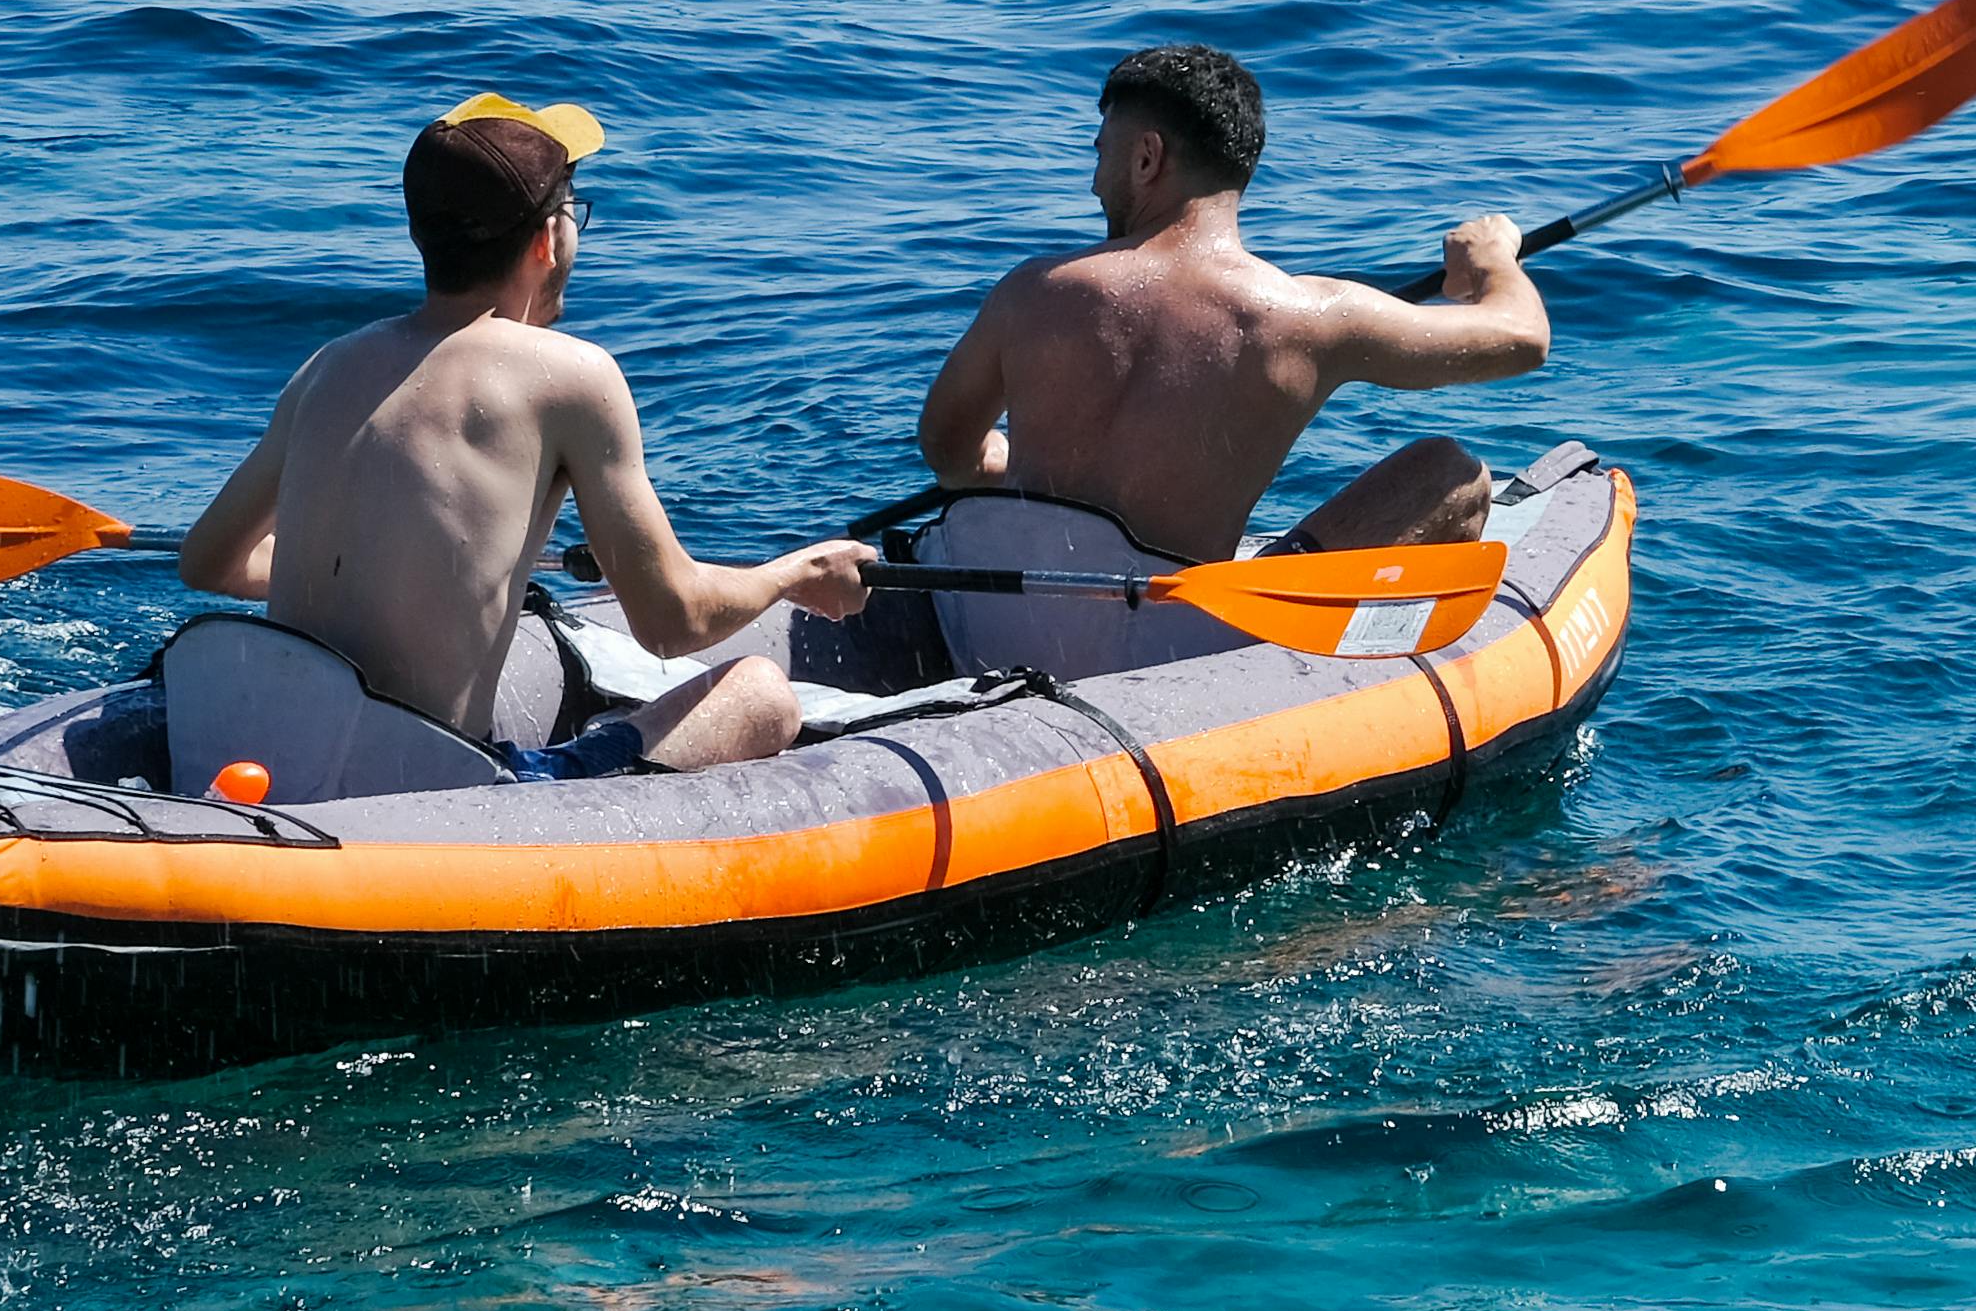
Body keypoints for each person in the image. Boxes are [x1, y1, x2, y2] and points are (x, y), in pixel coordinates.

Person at [174, 95, 874, 777]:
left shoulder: (327, 367)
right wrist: (795, 576)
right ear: (546, 239)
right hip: (423, 798)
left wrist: (384, 581)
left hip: (269, 753)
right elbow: (671, 621)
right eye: (574, 210)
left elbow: (207, 562)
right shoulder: (569, 375)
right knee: (761, 692)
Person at [906, 44, 1546, 672]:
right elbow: (1523, 337)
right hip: (1158, 659)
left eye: (1100, 156)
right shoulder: (1307, 318)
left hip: (988, 625)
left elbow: (949, 450)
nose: (1094, 183)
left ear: (1147, 157)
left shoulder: (1032, 290)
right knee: (1451, 472)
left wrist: (1016, 468)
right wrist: (1491, 258)